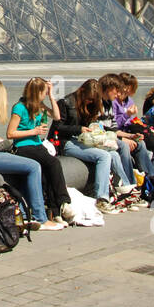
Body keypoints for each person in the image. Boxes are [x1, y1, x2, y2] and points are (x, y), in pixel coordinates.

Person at [0, 79, 54, 229]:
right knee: (33, 166)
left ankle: (25, 215)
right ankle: (40, 217)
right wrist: (6, 144)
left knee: (26, 168)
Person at [7, 78, 76, 225]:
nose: (45, 96)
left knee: (46, 173)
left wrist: (52, 96)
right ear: (37, 92)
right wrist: (34, 131)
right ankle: (64, 201)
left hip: (37, 145)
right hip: (24, 146)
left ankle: (55, 211)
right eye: (44, 93)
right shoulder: (19, 107)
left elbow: (57, 117)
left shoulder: (40, 105)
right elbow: (10, 133)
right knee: (53, 163)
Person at [55, 78, 129, 213]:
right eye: (89, 99)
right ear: (82, 92)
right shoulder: (65, 102)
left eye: (92, 100)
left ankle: (125, 187)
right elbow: (57, 127)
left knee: (113, 153)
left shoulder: (91, 104)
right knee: (104, 156)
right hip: (67, 142)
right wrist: (79, 129)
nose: (90, 102)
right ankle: (101, 198)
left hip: (84, 140)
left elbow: (95, 124)